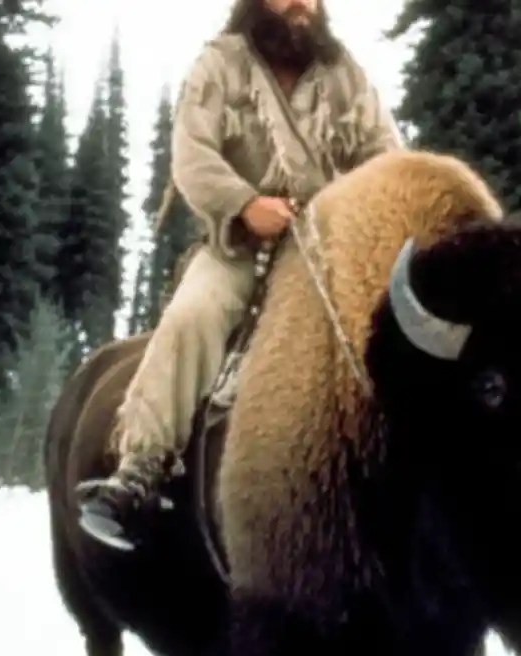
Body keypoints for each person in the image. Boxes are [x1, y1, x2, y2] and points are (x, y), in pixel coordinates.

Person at [76, 0, 404, 549]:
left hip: (327, 254)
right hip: (240, 251)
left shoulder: (345, 74)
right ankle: (141, 467)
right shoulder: (220, 64)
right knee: (193, 315)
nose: (300, 4)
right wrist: (247, 203)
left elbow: (386, 157)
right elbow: (192, 154)